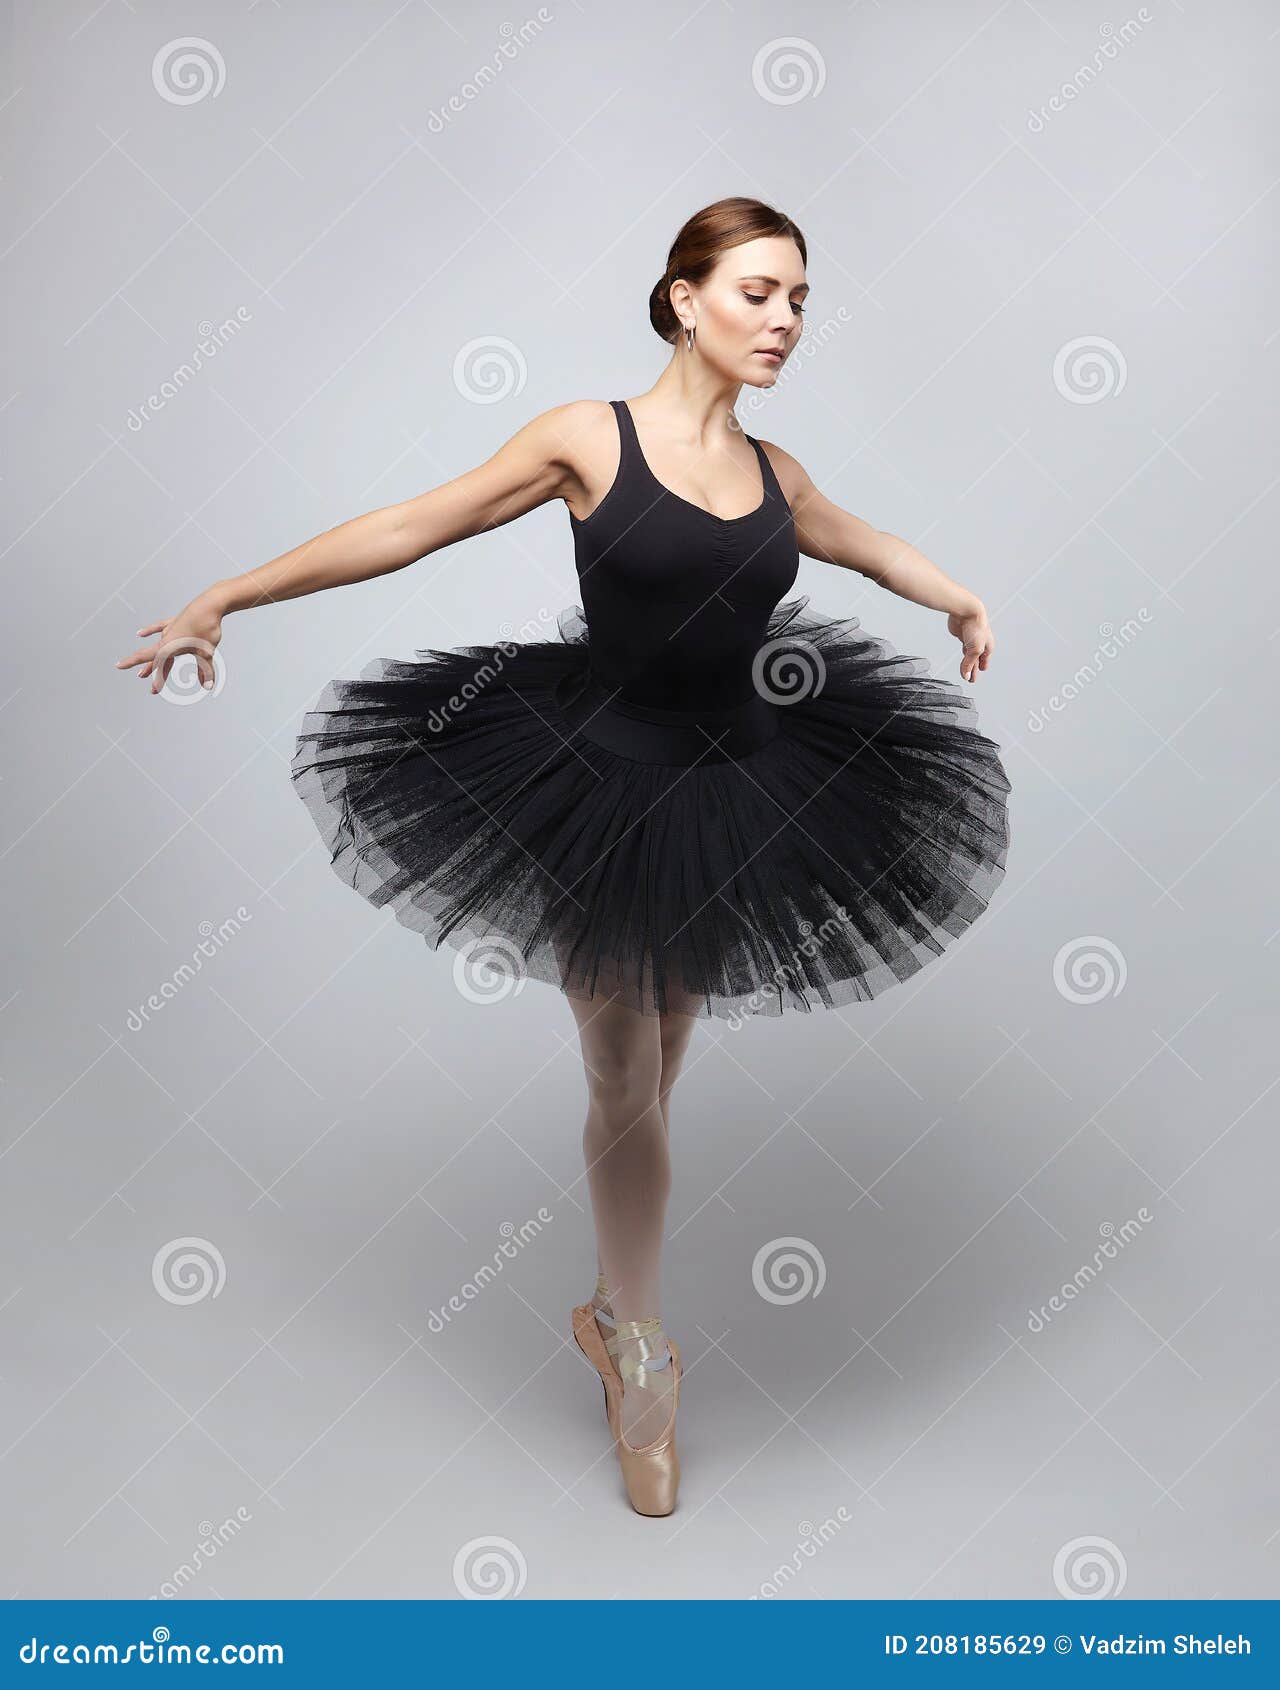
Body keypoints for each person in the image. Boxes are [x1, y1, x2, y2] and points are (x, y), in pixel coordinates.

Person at [115, 196, 1011, 1517]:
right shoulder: (588, 438)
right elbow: (416, 521)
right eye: (760, 292)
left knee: (662, 1057)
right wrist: (225, 595)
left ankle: (608, 1305)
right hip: (600, 775)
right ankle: (639, 1354)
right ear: (683, 299)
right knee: (623, 1069)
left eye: (802, 299)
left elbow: (853, 538)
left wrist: (954, 592)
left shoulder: (776, 469)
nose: (786, 321)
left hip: (740, 781)